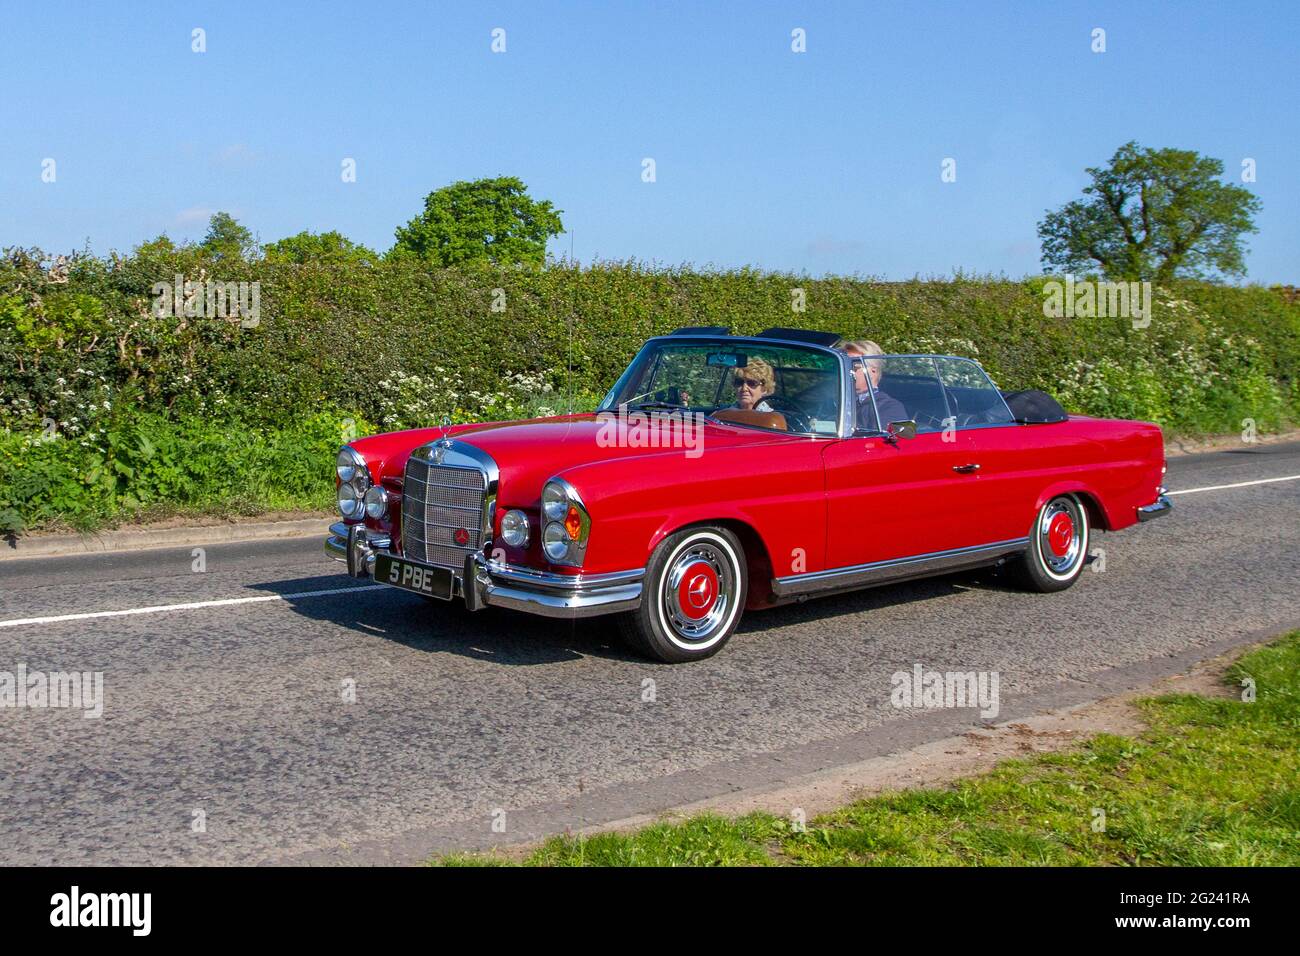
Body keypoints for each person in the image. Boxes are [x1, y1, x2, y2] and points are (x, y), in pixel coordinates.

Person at [841, 339, 907, 430]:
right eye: (843, 367)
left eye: (853, 367)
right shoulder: (836, 401)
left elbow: (881, 442)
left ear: (873, 370)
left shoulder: (888, 407)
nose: (847, 371)